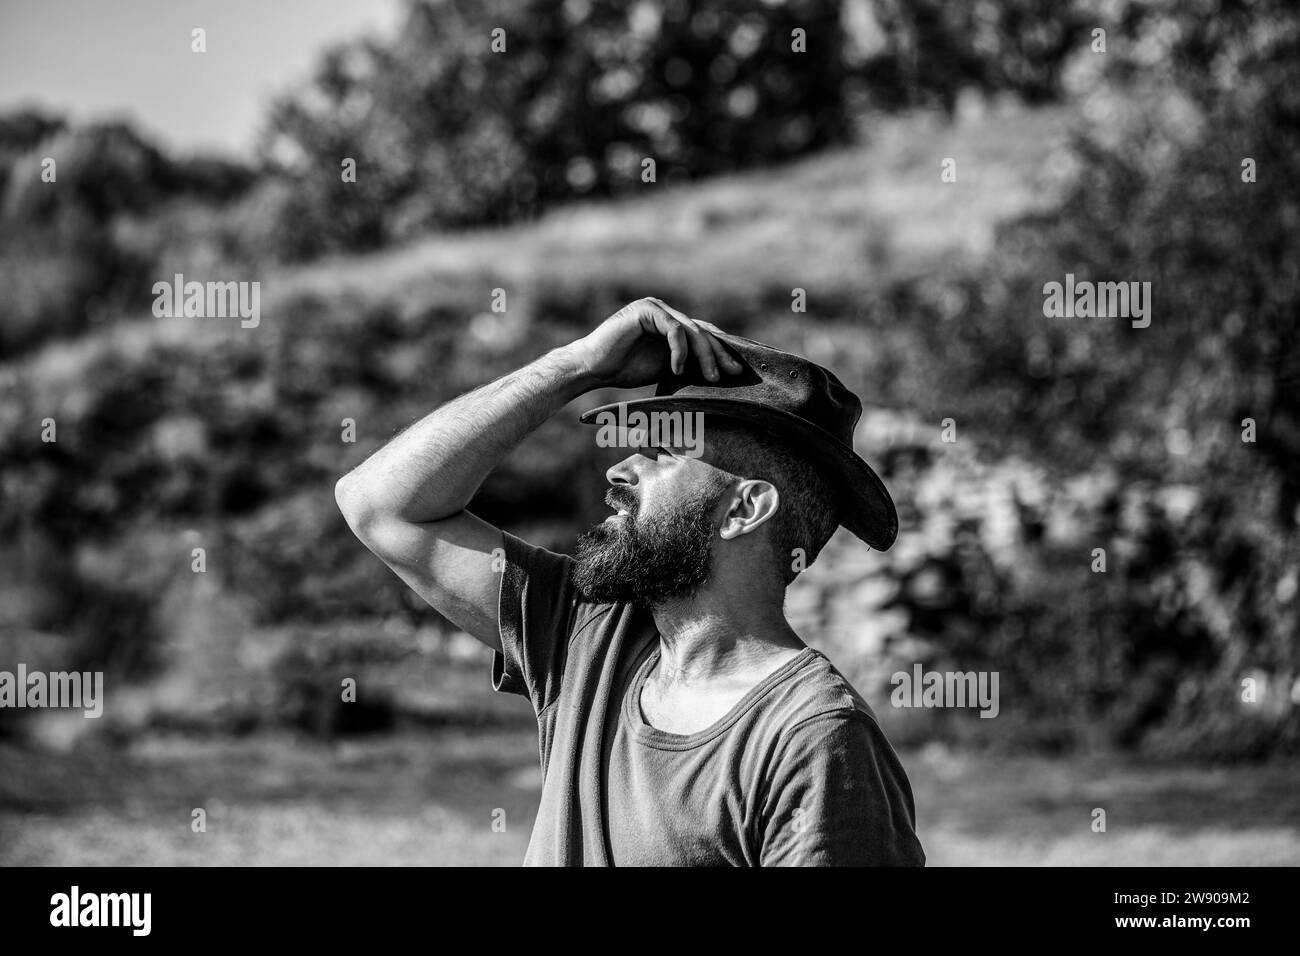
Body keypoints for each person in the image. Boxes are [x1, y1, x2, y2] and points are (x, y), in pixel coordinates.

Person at [334, 296, 925, 866]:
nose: (619, 469)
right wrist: (576, 365)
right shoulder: (586, 633)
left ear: (745, 510)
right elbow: (377, 504)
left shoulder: (814, 740)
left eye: (662, 451)